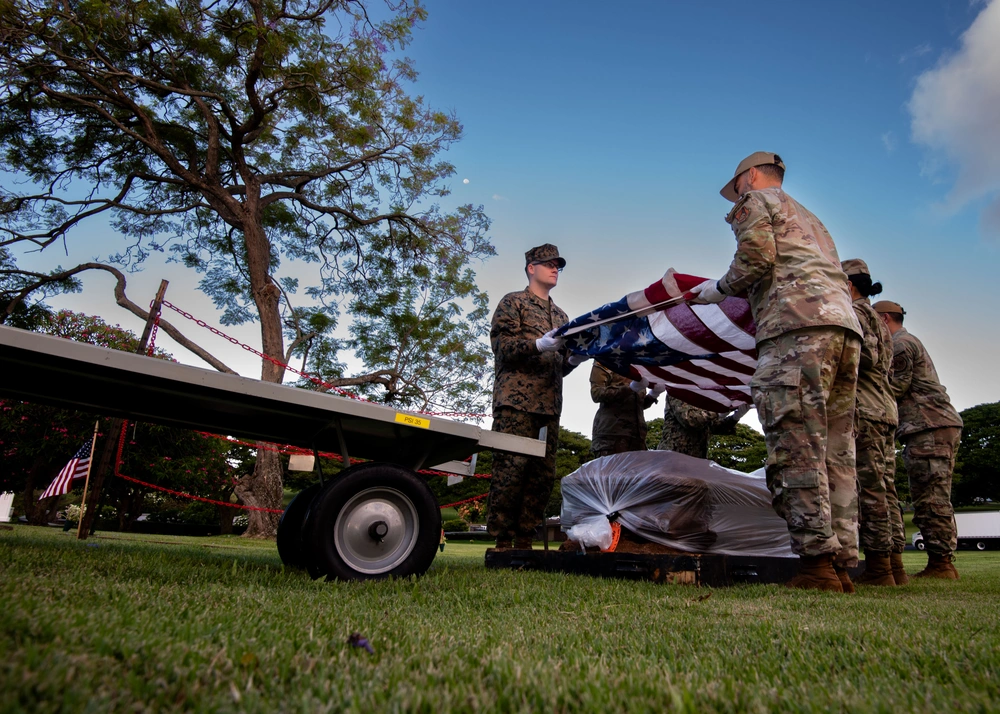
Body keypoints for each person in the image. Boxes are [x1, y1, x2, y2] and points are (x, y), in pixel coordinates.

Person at [690, 151, 863, 593]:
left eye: (737, 187)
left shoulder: (757, 202)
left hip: (796, 328)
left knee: (796, 444)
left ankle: (817, 564)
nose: (737, 196)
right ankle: (842, 563)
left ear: (750, 176)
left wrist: (718, 289)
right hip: (842, 331)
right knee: (836, 451)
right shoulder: (811, 218)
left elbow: (756, 258)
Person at [487, 244, 575, 551]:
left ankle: (525, 538)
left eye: (557, 265)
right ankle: (502, 540)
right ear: (531, 268)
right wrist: (537, 345)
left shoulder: (561, 316)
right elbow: (502, 348)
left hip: (549, 407)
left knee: (541, 475)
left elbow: (559, 367)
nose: (554, 269)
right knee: (510, 469)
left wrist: (573, 360)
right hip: (516, 403)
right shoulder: (513, 303)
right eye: (548, 264)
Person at [873, 300, 963, 579]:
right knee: (931, 494)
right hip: (931, 426)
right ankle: (941, 562)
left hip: (928, 427)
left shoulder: (900, 345)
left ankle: (941, 564)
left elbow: (894, 388)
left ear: (884, 319)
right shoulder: (907, 341)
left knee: (931, 497)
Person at [840, 259, 903, 586]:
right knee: (885, 489)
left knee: (870, 490)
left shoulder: (856, 313)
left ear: (848, 285)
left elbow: (864, 358)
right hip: (883, 409)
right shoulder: (877, 319)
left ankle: (880, 568)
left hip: (865, 409)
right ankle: (894, 565)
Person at [589, 363, 658, 458]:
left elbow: (637, 405)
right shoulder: (606, 360)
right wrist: (629, 388)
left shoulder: (639, 365)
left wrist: (653, 395)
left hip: (637, 438)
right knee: (612, 468)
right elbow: (596, 393)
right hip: (611, 437)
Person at [657, 395, 747, 459]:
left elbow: (713, 427)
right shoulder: (678, 391)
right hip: (673, 458)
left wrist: (735, 417)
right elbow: (690, 420)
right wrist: (718, 412)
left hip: (697, 460)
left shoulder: (703, 397)